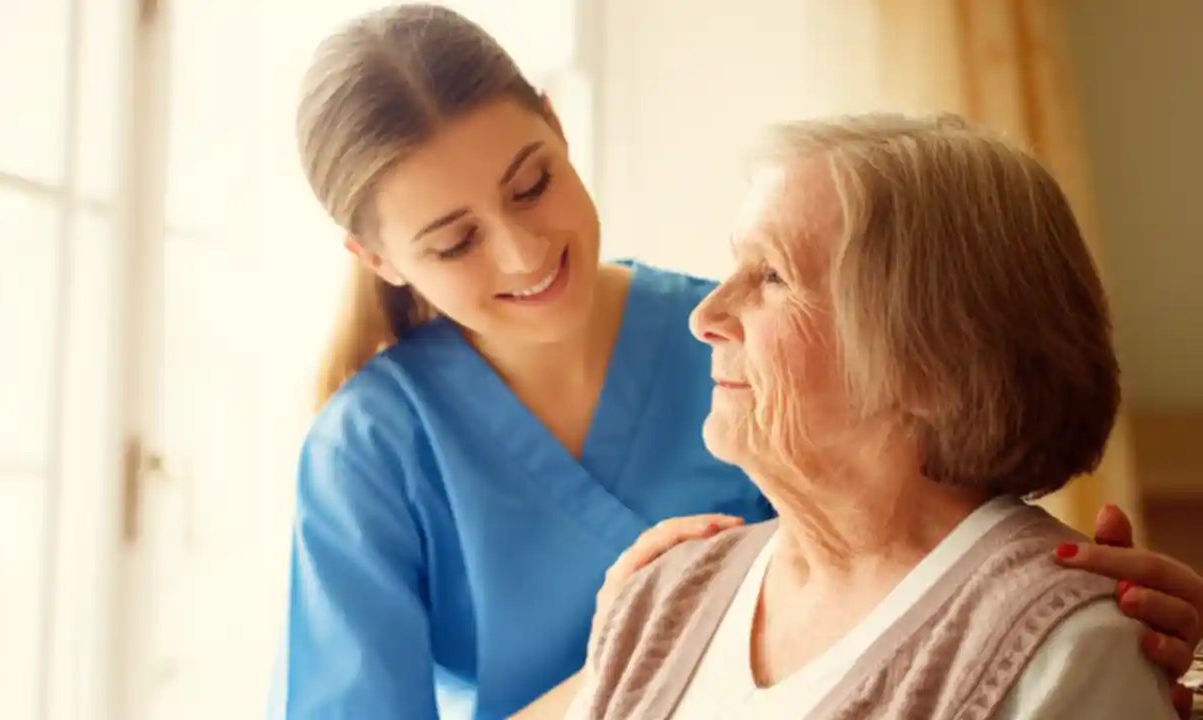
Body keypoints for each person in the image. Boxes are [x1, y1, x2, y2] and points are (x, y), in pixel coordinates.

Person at [275, 5, 1203, 718]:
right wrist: (632, 662)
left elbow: (913, 565)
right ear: (381, 261)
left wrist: (1055, 606)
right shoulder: (371, 449)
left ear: (558, 128)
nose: (523, 253)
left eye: (532, 184)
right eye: (453, 242)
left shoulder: (751, 352)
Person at [565, 113, 1180, 720]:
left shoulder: (1065, 651)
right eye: (736, 266)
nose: (706, 316)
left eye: (773, 276)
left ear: (934, 363)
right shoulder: (658, 598)